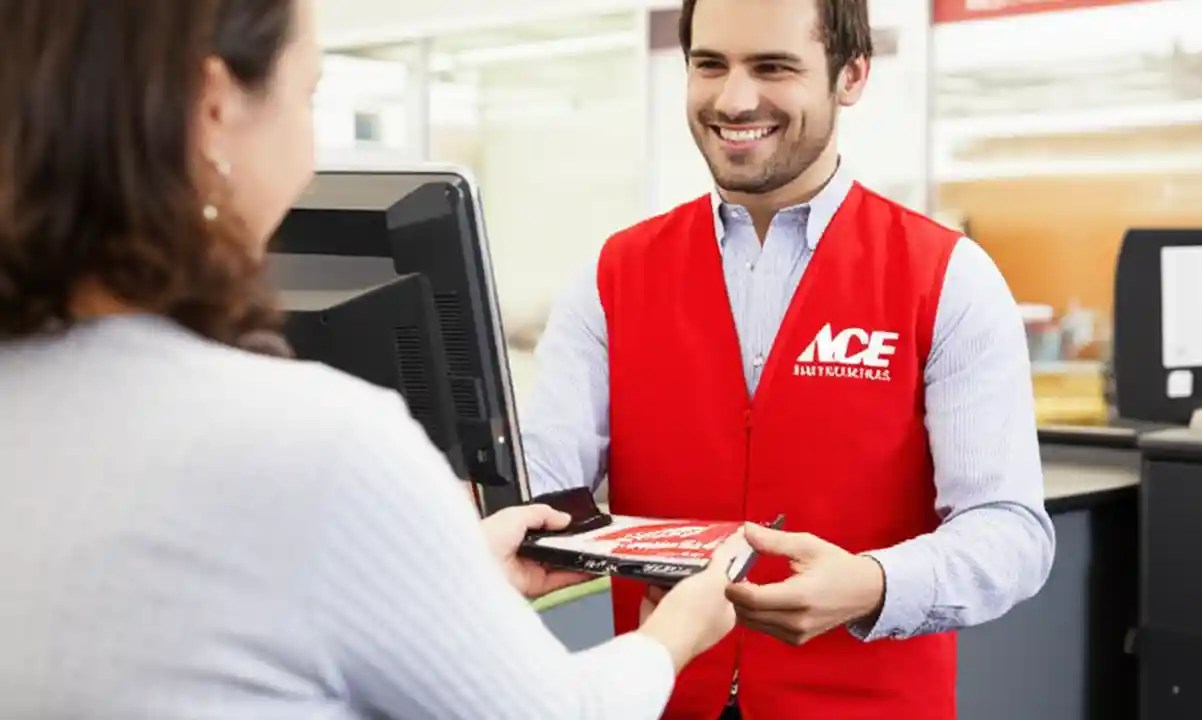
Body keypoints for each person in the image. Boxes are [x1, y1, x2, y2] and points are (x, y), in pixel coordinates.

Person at [0, 1, 740, 718]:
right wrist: (672, 637)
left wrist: (450, 574)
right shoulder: (319, 447)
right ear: (216, 106)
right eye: (309, 96)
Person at [520, 0, 1057, 717]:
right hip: (665, 697)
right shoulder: (612, 275)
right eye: (710, 64)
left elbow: (1010, 533)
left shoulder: (947, 277)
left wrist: (874, 583)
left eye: (773, 67)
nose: (734, 99)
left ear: (852, 75)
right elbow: (547, 488)